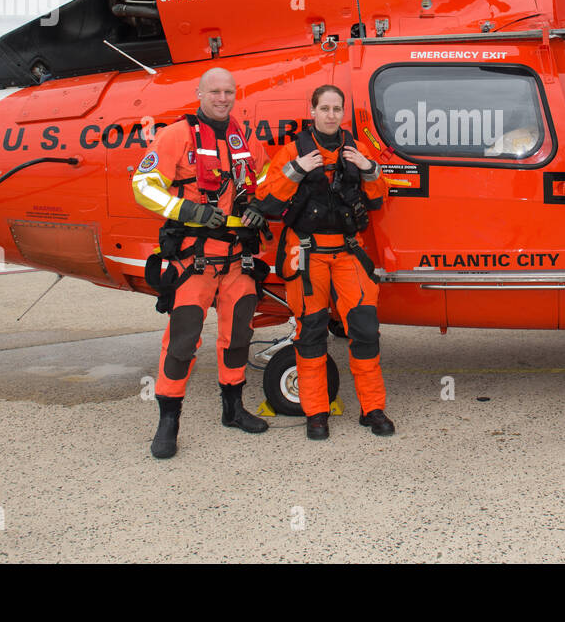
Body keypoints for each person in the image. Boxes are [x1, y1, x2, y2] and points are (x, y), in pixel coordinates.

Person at [132, 66, 271, 459]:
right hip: (194, 261)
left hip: (238, 260)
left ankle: (233, 410)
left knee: (238, 338)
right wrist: (186, 210)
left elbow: (266, 175)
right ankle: (168, 423)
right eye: (215, 92)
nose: (222, 98)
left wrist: (260, 205)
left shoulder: (243, 137)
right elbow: (143, 187)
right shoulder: (176, 135)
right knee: (181, 343)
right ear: (199, 93)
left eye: (228, 92)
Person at [257, 85, 391, 440]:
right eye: (325, 108)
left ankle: (373, 408)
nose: (331, 115)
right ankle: (316, 412)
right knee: (311, 332)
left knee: (364, 331)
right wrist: (296, 170)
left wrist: (370, 168)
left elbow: (378, 200)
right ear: (313, 111)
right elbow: (267, 201)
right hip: (307, 252)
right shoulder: (292, 152)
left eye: (337, 109)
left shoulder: (357, 150)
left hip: (348, 252)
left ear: (342, 113)